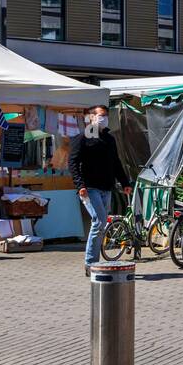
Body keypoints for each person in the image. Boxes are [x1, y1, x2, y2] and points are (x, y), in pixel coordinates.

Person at [69, 105, 133, 273]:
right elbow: (73, 163)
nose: (104, 118)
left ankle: (93, 263)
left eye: (106, 115)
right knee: (99, 221)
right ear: (92, 118)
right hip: (90, 187)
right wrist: (79, 185)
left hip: (106, 187)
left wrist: (125, 183)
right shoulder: (82, 138)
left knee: (100, 224)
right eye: (101, 115)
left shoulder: (109, 139)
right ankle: (90, 263)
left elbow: (116, 162)